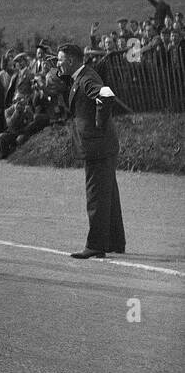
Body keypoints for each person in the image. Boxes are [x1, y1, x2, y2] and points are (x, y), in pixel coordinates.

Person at [57, 44, 126, 259]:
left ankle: (96, 244)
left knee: (96, 195)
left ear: (70, 61)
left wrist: (99, 120)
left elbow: (105, 95)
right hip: (101, 146)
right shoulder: (82, 75)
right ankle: (115, 241)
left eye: (60, 60)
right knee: (109, 195)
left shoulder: (86, 78)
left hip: (97, 147)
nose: (58, 64)